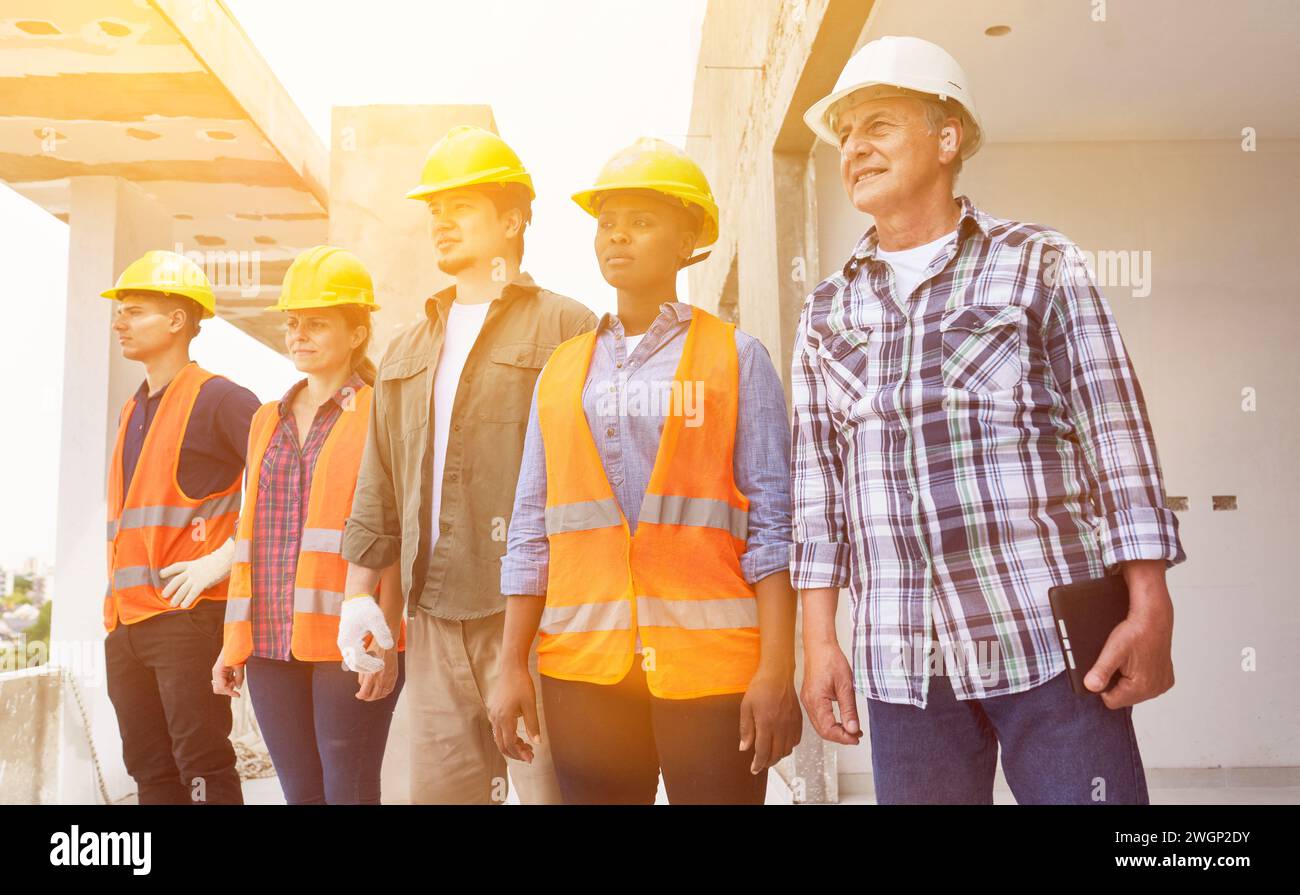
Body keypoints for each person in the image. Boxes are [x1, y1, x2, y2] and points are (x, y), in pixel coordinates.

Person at [792, 36, 1185, 804]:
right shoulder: (826, 310)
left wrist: (1150, 601)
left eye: (878, 124)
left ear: (948, 138)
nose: (854, 148)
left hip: (1050, 645)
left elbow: (1116, 434)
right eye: (844, 134)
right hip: (904, 663)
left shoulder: (1039, 262)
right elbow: (818, 490)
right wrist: (818, 641)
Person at [489, 138, 802, 804]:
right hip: (585, 669)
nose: (617, 236)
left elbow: (774, 526)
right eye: (607, 223)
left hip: (711, 668)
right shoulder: (562, 371)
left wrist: (778, 666)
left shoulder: (736, 358)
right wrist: (510, 662)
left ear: (689, 238)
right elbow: (529, 528)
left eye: (642, 220)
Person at [339, 125, 595, 804]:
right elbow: (380, 481)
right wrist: (359, 595)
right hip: (431, 621)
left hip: (536, 620)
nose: (442, 222)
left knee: (550, 796)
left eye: (462, 207)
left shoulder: (570, 328)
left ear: (512, 220)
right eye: (434, 210)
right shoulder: (406, 346)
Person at [211, 246, 406, 804]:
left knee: (348, 792)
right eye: (293, 323)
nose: (299, 335)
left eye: (316, 324)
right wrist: (233, 643)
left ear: (357, 333)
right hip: (272, 641)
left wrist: (386, 636)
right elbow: (249, 537)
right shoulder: (263, 421)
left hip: (350, 639)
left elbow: (392, 530)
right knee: (301, 796)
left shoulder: (381, 411)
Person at [101, 249, 260, 804]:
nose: (119, 321)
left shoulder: (220, 399)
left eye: (135, 310)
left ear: (177, 320)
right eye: (120, 311)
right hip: (128, 624)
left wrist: (224, 558)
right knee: (149, 771)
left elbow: (288, 479)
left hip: (189, 618)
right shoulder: (132, 408)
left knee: (202, 768)